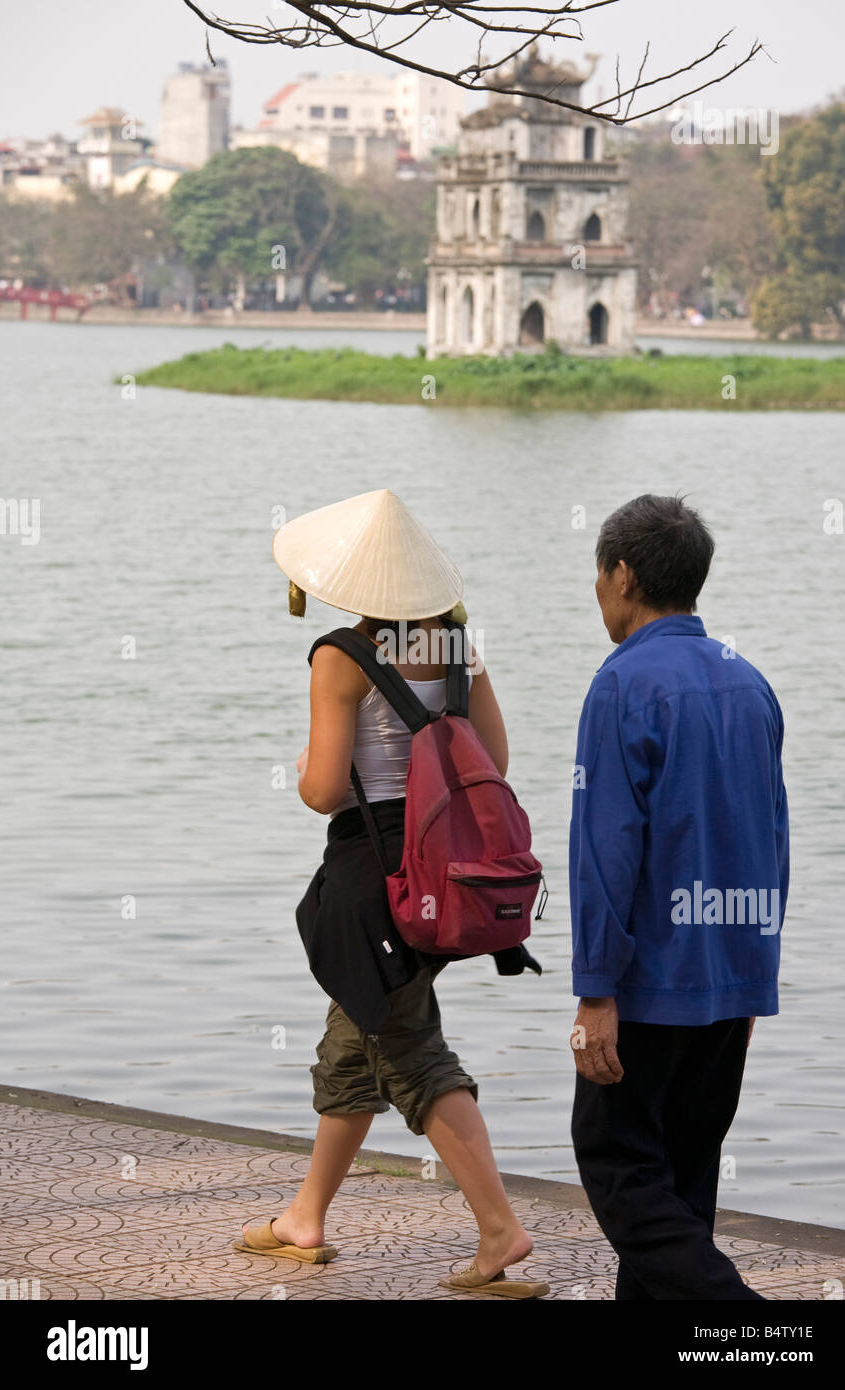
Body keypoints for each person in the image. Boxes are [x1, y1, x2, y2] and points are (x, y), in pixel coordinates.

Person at [235, 488, 548, 1299]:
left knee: (408, 1049)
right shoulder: (457, 648)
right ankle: (307, 1218)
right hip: (443, 877)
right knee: (356, 1039)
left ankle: (499, 1229)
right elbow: (496, 761)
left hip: (376, 884)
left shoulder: (340, 656)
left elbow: (319, 789)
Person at [569, 494, 789, 1301]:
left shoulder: (622, 684)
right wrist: (754, 973)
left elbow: (604, 850)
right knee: (684, 1186)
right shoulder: (749, 682)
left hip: (652, 980)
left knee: (618, 1163)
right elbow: (773, 838)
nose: (597, 592)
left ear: (623, 575)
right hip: (730, 973)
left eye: (599, 574)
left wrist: (595, 991)